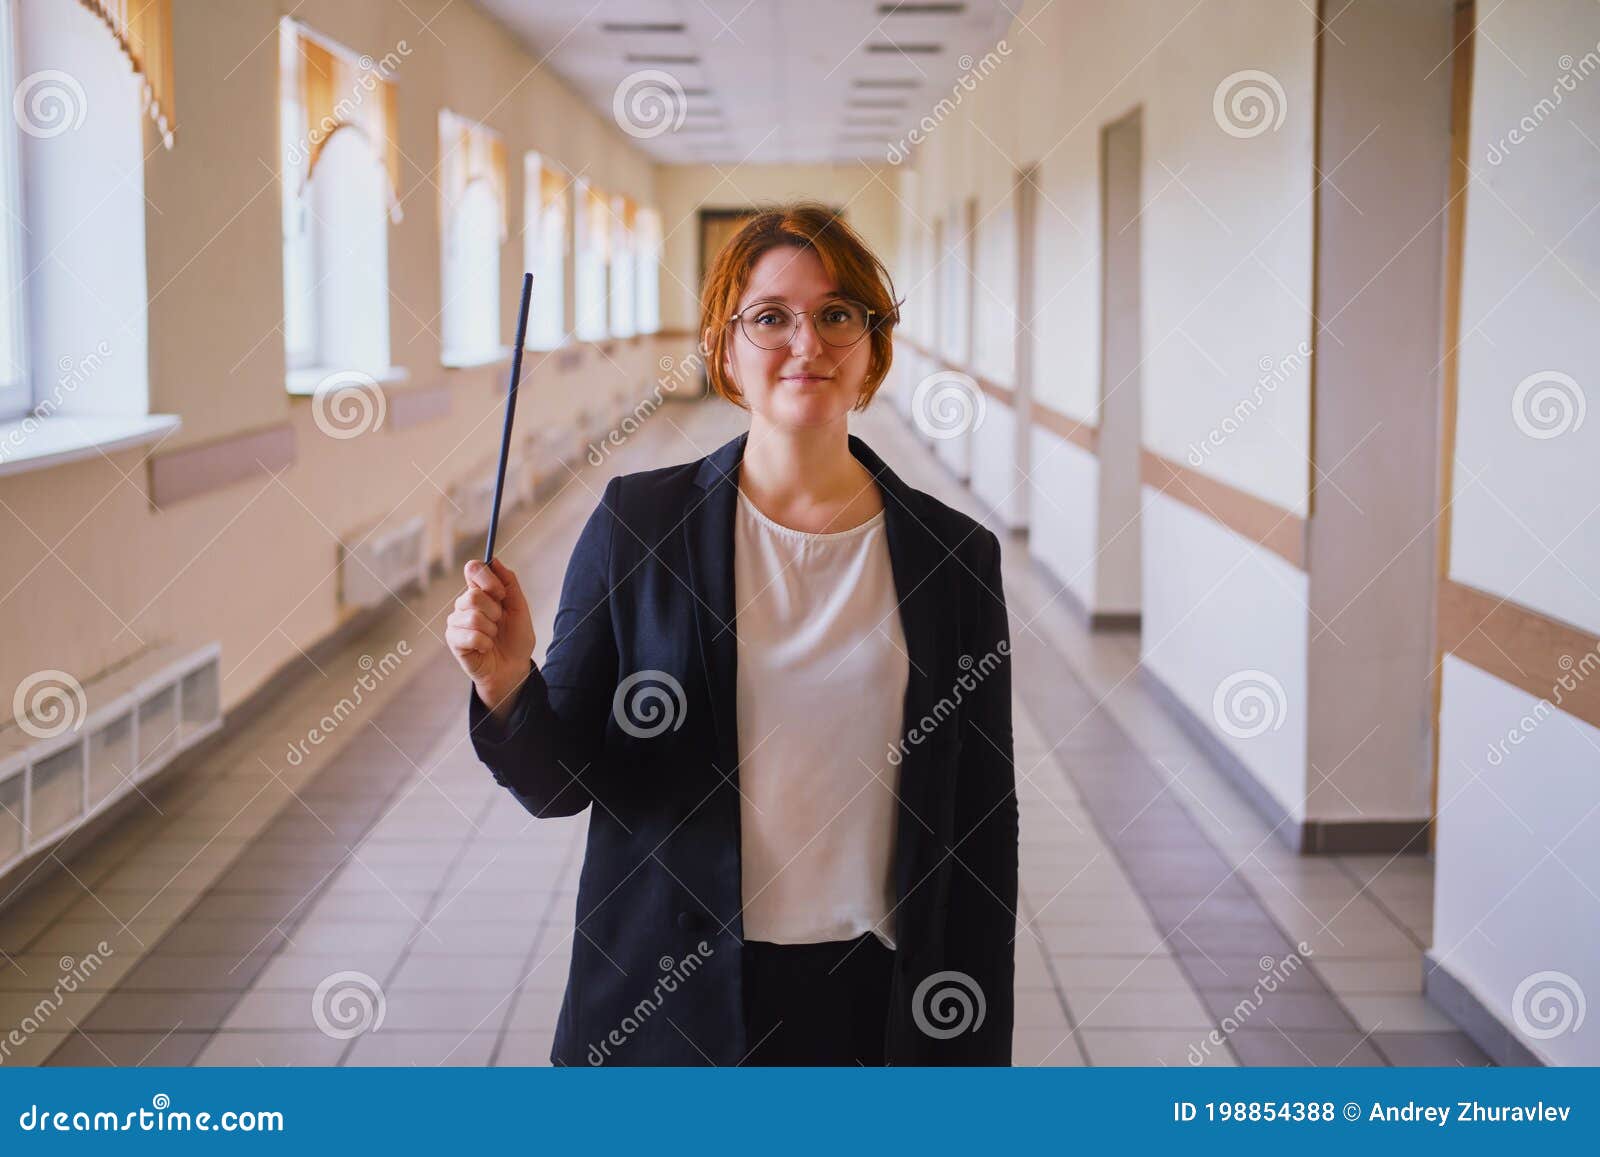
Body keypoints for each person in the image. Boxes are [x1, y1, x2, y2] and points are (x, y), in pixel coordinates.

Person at [448, 202, 1017, 1066]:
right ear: (724, 349)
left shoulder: (954, 556)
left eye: (837, 314)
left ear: (873, 346)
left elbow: (981, 824)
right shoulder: (641, 525)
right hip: (675, 993)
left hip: (881, 995)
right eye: (771, 317)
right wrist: (506, 680)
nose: (807, 342)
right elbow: (560, 782)